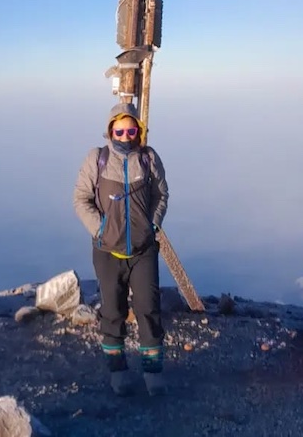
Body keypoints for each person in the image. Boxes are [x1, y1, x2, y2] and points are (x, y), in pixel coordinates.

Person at [73, 101, 169, 395]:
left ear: (138, 131)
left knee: (148, 309)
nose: (126, 135)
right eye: (120, 130)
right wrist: (100, 229)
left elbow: (161, 195)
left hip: (142, 251)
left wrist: (152, 225)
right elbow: (81, 199)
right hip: (107, 252)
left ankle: (153, 374)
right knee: (113, 312)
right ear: (110, 130)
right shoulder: (97, 159)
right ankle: (118, 374)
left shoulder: (148, 158)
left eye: (131, 130)